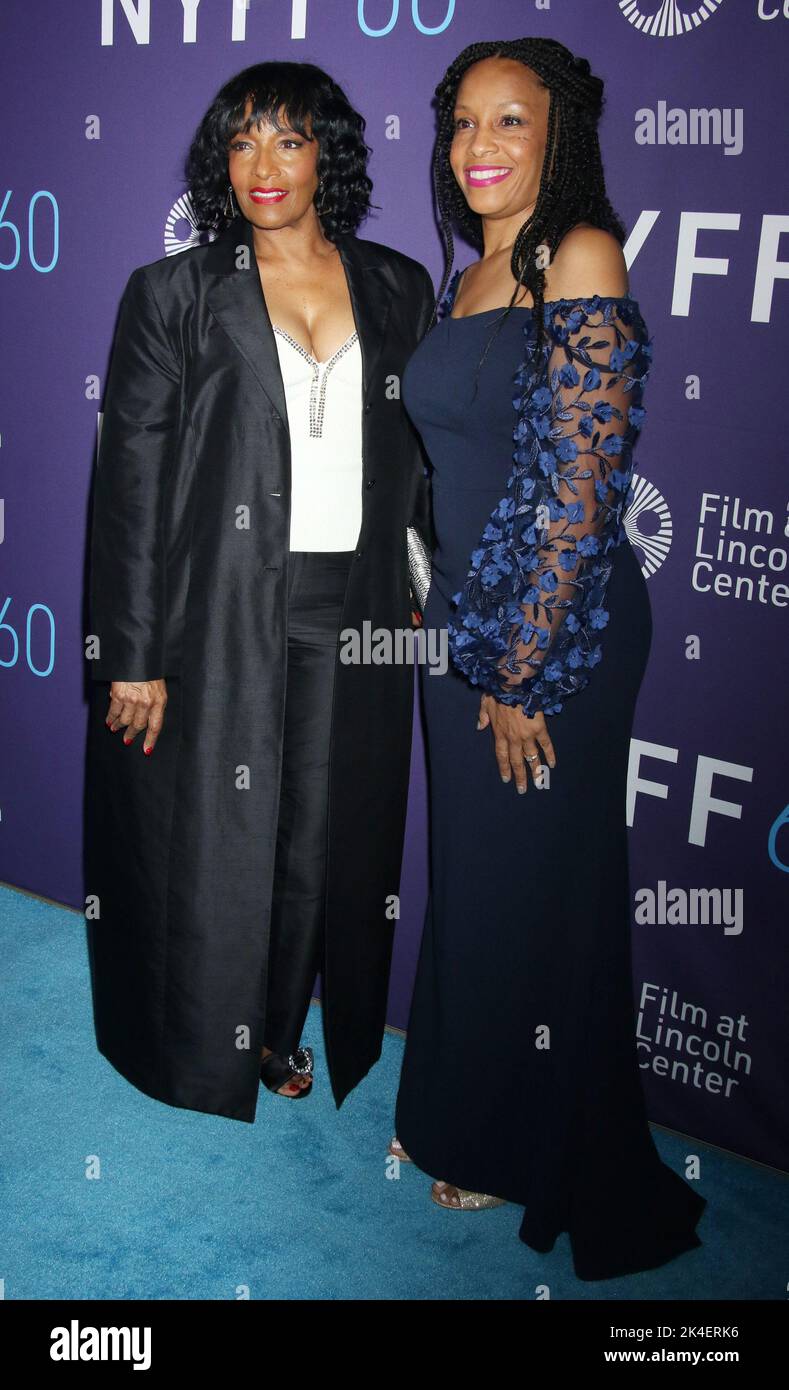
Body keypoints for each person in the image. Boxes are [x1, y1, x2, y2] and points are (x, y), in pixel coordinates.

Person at [391, 39, 707, 1281]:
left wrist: (521, 668)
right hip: (466, 627)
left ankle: (535, 1142)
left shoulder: (577, 253)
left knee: (539, 891)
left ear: (557, 135)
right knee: (481, 884)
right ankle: (472, 1114)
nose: (480, 145)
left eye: (510, 122)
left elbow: (580, 485)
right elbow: (446, 478)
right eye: (464, 121)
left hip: (553, 637)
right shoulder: (460, 275)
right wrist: (436, 606)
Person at [85, 61, 434, 1120]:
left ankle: (282, 1030)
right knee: (211, 838)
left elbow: (417, 461)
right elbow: (130, 484)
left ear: (327, 149)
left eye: (287, 139)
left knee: (322, 840)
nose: (263, 166)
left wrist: (416, 579)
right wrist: (133, 651)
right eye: (241, 143)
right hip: (215, 611)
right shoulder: (174, 293)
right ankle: (195, 1040)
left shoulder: (397, 285)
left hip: (355, 613)